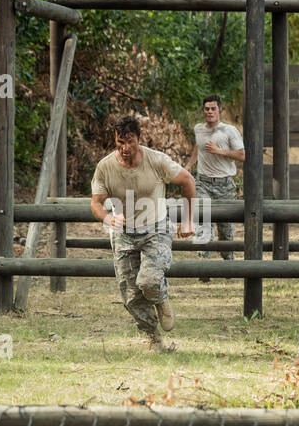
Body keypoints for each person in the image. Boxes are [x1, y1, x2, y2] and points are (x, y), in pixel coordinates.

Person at [91, 116, 197, 352]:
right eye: (120, 142)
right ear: (115, 140)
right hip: (124, 234)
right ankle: (154, 338)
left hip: (155, 229)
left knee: (148, 281)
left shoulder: (156, 160)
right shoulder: (105, 167)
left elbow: (188, 181)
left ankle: (161, 297)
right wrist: (109, 218)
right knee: (131, 296)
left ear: (139, 139)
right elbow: (96, 203)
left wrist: (188, 218)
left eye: (130, 141)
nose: (125, 148)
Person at [184, 95, 245, 280]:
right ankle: (204, 269)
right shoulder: (199, 129)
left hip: (225, 185)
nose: (209, 112)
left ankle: (229, 269)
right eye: (206, 109)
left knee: (226, 231)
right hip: (203, 183)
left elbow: (242, 155)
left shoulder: (229, 131)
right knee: (204, 225)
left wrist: (220, 151)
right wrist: (188, 166)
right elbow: (198, 148)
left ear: (220, 110)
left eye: (213, 108)